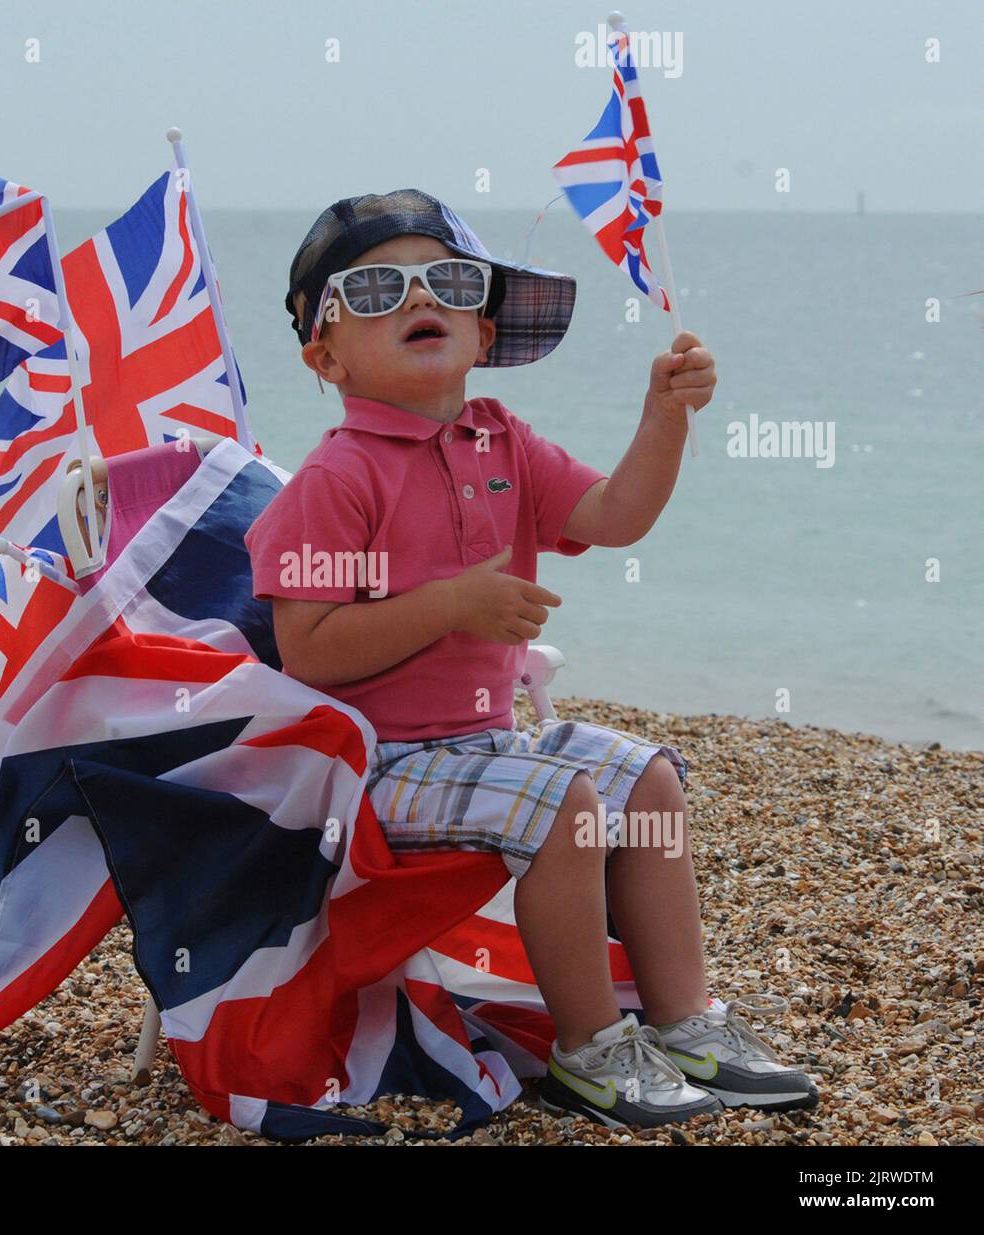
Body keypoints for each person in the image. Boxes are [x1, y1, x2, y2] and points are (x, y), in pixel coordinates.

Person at [244, 188, 818, 1129]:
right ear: (325, 352)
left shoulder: (498, 439)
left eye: (450, 281)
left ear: (482, 330)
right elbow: (308, 652)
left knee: (648, 783)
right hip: (373, 764)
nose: (417, 297)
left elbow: (613, 516)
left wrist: (663, 417)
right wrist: (450, 604)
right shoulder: (338, 478)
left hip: (483, 740)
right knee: (566, 804)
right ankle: (591, 1045)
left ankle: (682, 1018)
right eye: (378, 286)